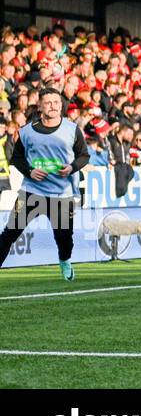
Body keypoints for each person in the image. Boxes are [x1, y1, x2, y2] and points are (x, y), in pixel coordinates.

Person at [0, 87, 90, 279]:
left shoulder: (72, 130)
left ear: (61, 105)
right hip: (31, 192)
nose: (53, 106)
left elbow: (84, 156)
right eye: (48, 102)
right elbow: (16, 158)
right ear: (40, 106)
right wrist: (30, 171)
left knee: (64, 239)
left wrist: (72, 167)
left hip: (62, 194)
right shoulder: (26, 132)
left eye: (56, 102)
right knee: (10, 233)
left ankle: (65, 261)